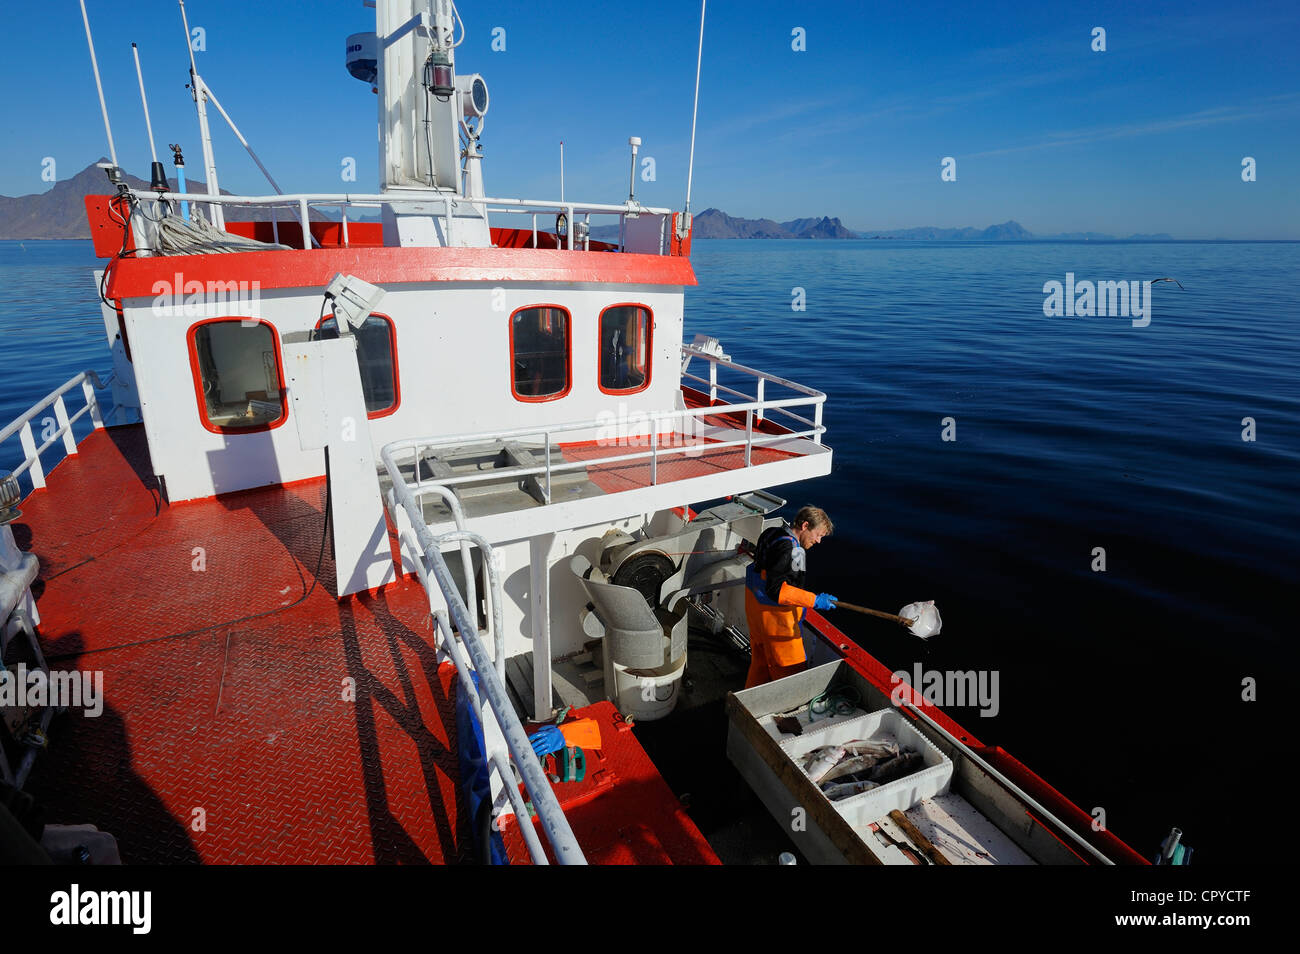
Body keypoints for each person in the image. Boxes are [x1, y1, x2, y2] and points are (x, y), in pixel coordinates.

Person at [743, 506, 837, 688]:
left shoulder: (771, 533)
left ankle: (747, 705)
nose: (818, 541)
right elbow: (776, 590)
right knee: (790, 676)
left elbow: (761, 568)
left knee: (760, 666)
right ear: (805, 525)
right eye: (818, 535)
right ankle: (786, 715)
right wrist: (816, 601)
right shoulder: (795, 551)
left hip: (756, 614)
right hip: (778, 623)